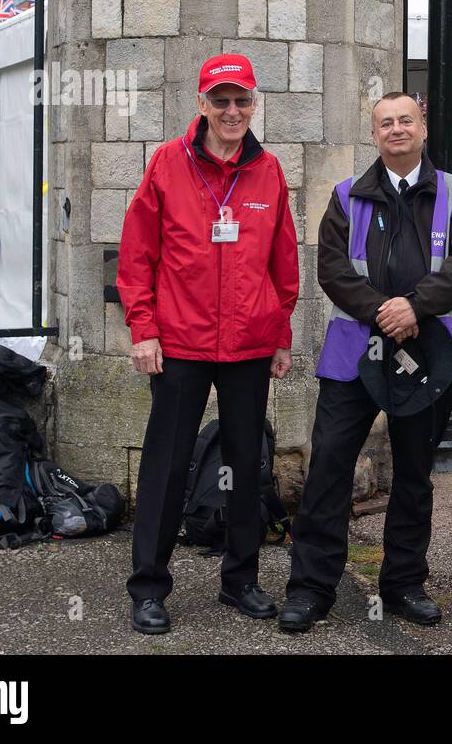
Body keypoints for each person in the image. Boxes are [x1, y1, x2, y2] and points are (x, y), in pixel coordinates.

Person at [279, 92, 452, 631]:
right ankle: (310, 589)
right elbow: (331, 269)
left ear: (423, 129)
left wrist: (416, 307)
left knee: (414, 475)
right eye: (385, 123)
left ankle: (403, 584)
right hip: (356, 355)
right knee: (327, 468)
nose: (396, 129)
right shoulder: (347, 197)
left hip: (430, 356)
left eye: (405, 120)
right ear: (374, 135)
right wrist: (384, 312)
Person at [117, 53, 299, 635]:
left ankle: (240, 579)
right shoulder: (168, 163)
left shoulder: (268, 171)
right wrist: (143, 329)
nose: (231, 110)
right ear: (201, 104)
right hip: (179, 343)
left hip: (247, 342)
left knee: (248, 466)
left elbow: (283, 263)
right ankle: (148, 586)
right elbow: (137, 255)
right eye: (220, 100)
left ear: (254, 104)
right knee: (167, 466)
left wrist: (280, 333)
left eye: (241, 99)